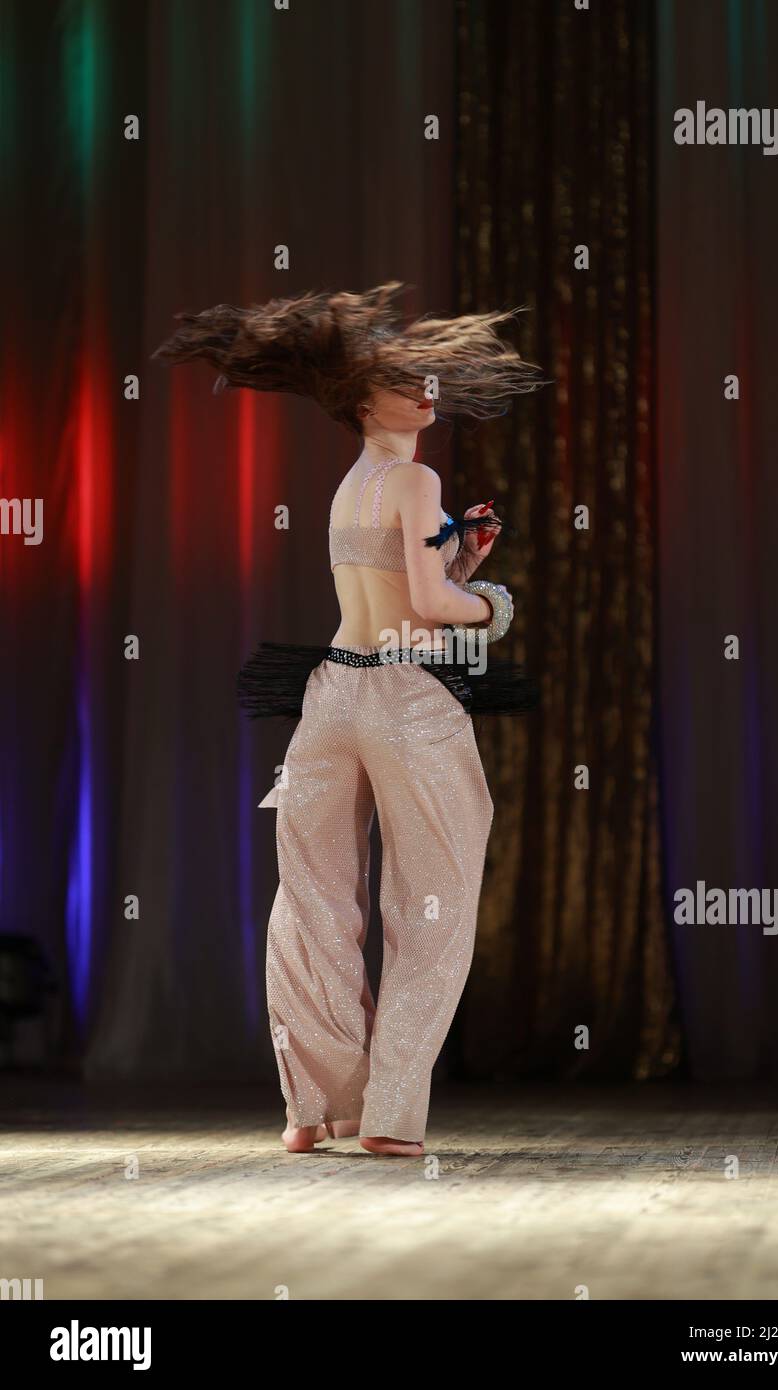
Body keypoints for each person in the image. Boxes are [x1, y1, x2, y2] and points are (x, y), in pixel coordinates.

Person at [154, 282, 546, 1157]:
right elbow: (430, 607)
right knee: (433, 904)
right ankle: (392, 1118)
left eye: (425, 380)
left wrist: (454, 550)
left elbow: (390, 581)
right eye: (405, 381)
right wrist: (491, 602)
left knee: (313, 897)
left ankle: (314, 1108)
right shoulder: (416, 476)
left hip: (331, 695)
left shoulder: (351, 487)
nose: (426, 392)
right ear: (361, 399)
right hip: (405, 699)